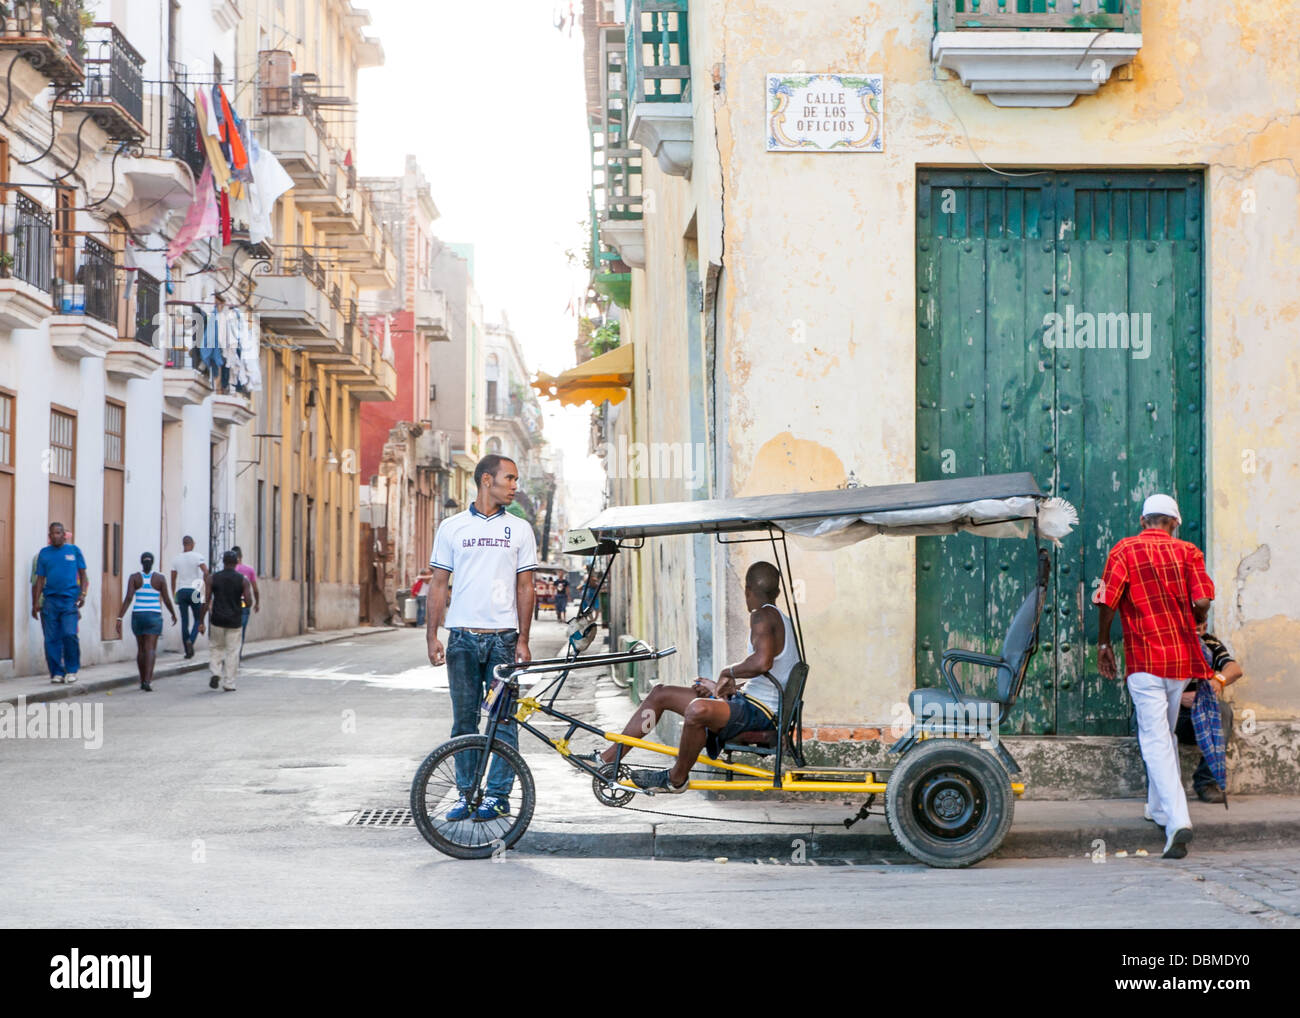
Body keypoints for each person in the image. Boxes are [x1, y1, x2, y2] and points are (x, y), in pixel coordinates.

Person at [591, 562, 799, 794]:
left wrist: (726, 672)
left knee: (697, 710)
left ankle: (675, 778)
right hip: (748, 704)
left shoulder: (762, 615)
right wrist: (720, 689)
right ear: (778, 592)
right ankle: (609, 758)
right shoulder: (780, 619)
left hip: (761, 714)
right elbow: (768, 676)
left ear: (747, 590)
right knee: (661, 693)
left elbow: (762, 663)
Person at [1098, 493, 1214, 860]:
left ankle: (1178, 819)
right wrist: (1196, 618)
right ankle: (1158, 808)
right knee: (1163, 735)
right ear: (1174, 523)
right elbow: (1203, 599)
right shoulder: (1188, 552)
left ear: (1142, 519)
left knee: (1155, 739)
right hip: (1180, 661)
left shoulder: (1124, 550)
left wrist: (1104, 645)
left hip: (1144, 660)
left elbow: (1107, 599)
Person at [426, 454, 537, 822]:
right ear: (486, 479)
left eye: (516, 479)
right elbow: (438, 584)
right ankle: (467, 794)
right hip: (461, 640)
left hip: (503, 642)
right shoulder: (451, 527)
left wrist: (523, 639)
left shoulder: (519, 529)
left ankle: (498, 796)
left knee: (502, 720)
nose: (514, 486)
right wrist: (432, 636)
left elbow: (526, 586)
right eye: (510, 478)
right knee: (464, 722)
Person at [1174, 626, 1243, 803]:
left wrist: (1219, 681)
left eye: (1203, 623)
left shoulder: (1209, 642)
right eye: (1196, 622)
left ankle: (1206, 783)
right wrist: (1179, 698)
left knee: (1223, 710)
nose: (1200, 628)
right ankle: (1163, 787)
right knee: (1145, 718)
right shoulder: (1168, 642)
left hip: (1199, 716)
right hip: (1169, 711)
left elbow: (1234, 669)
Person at [31, 522, 88, 685]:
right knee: (51, 638)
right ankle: (56, 672)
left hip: (69, 601)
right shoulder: (44, 554)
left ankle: (71, 670)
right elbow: (40, 579)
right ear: (49, 537)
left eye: (58, 533)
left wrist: (82, 594)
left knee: (69, 634)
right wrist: (36, 602)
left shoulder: (74, 551)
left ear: (64, 535)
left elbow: (83, 575)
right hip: (50, 601)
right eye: (52, 533)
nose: (55, 536)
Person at [116, 552, 178, 692]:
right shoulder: (160, 578)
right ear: (153, 562)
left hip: (138, 615)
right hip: (154, 616)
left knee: (141, 649)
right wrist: (173, 613)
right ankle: (148, 681)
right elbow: (167, 599)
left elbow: (129, 598)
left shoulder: (134, 578)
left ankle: (142, 679)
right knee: (150, 648)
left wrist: (119, 617)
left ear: (141, 562)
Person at [199, 551, 253, 692]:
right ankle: (229, 683)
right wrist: (240, 603)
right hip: (234, 620)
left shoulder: (212, 578)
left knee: (216, 647)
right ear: (236, 563)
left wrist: (201, 621)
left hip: (217, 619)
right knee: (232, 651)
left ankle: (216, 672)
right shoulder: (243, 580)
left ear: (223, 562)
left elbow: (206, 601)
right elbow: (248, 602)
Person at [170, 536, 208, 659]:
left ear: (183, 544)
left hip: (181, 592)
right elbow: (206, 572)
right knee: (198, 619)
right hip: (194, 591)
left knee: (184, 621)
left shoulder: (176, 559)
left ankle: (187, 651)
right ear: (192, 544)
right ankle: (191, 641)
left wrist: (173, 593)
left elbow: (173, 578)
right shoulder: (197, 556)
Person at [231, 546, 260, 653]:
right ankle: (237, 656)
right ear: (241, 556)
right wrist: (257, 603)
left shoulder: (229, 570)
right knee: (241, 630)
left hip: (231, 604)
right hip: (243, 603)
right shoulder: (249, 570)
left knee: (230, 630)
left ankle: (231, 654)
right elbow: (255, 589)